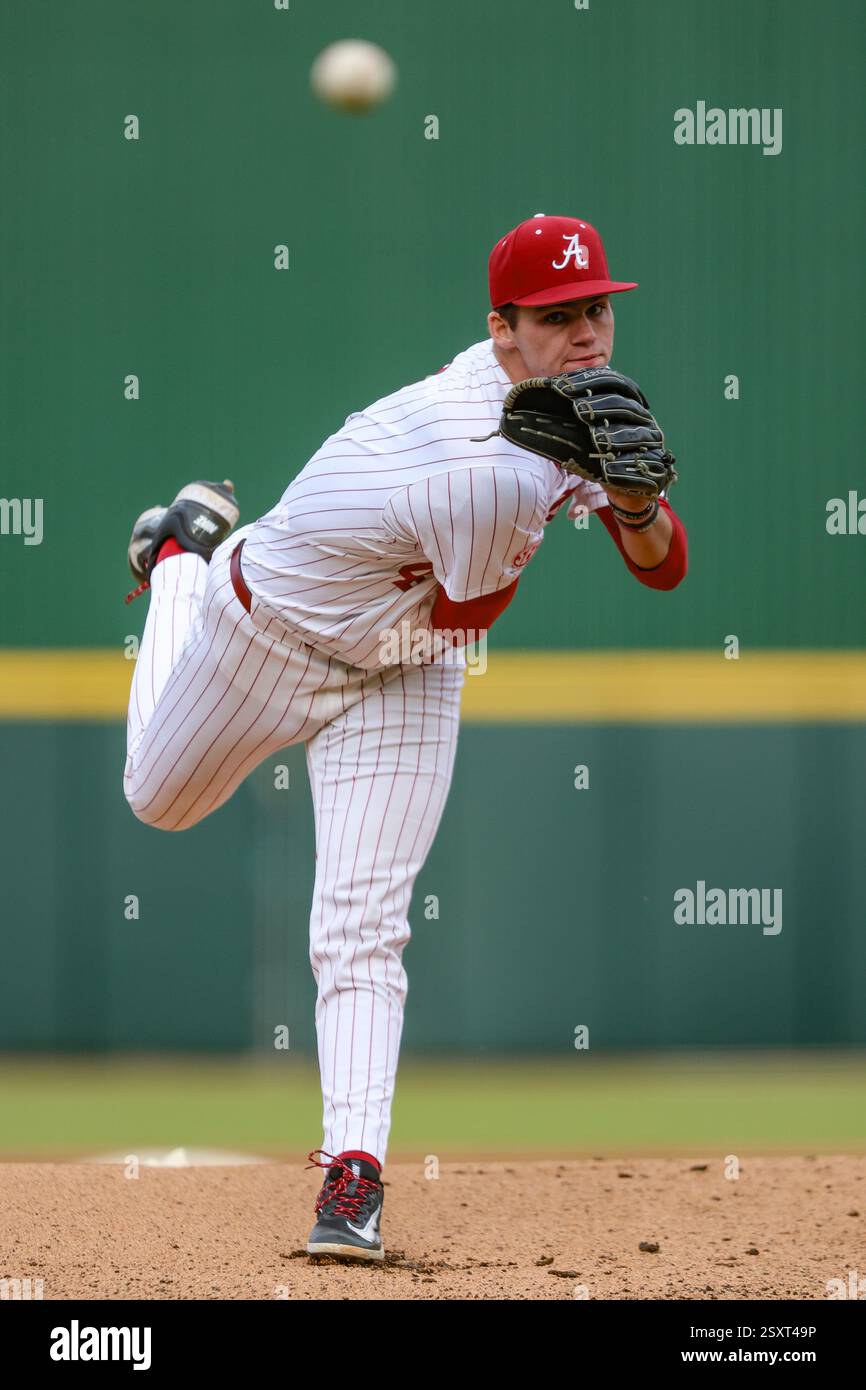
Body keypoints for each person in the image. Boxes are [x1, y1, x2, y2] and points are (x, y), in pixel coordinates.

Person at [123, 212, 687, 1263]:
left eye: (596, 310)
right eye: (554, 317)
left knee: (362, 923)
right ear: (500, 327)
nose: (585, 336)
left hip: (404, 657)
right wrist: (604, 491)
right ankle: (177, 560)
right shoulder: (476, 456)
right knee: (156, 800)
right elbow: (471, 616)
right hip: (270, 633)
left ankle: (353, 1178)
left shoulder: (569, 408)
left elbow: (662, 565)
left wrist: (635, 500)